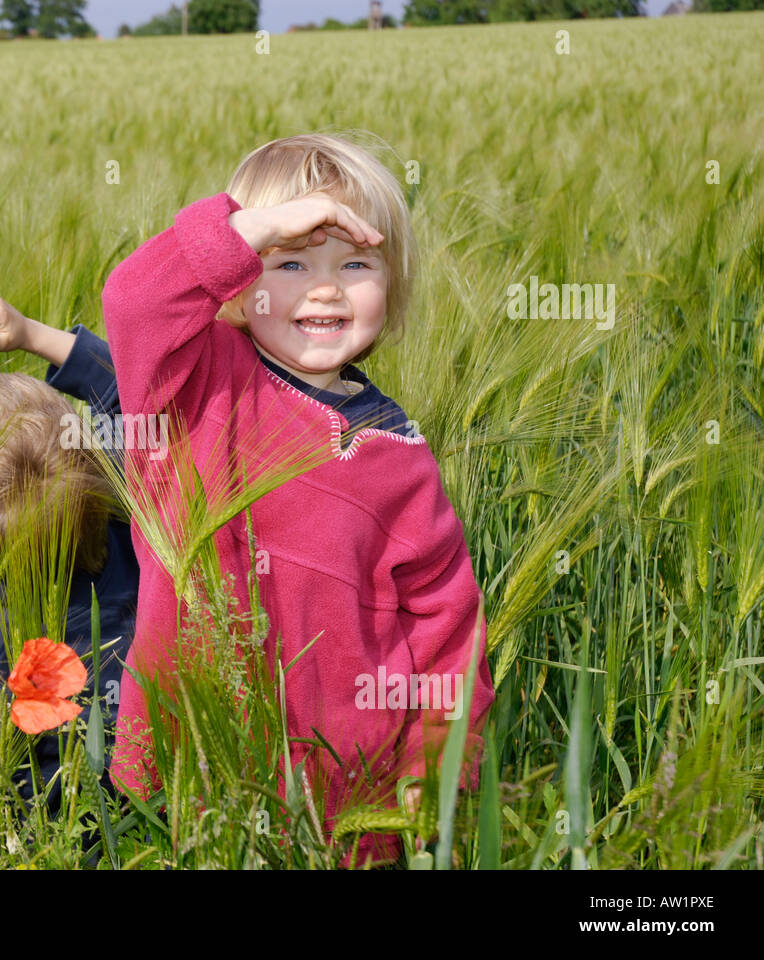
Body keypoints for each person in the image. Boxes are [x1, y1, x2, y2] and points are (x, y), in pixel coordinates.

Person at [100, 132, 496, 865]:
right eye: (288, 262)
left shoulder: (403, 455)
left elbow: (448, 628)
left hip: (351, 798)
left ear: (395, 282)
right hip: (192, 772)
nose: (324, 289)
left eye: (354, 264)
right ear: (238, 276)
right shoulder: (193, 386)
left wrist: (439, 764)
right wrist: (242, 232)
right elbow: (134, 299)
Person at [0, 295, 137, 816]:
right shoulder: (131, 505)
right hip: (152, 802)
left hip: (62, 822)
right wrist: (29, 333)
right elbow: (133, 389)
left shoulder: (9, 645)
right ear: (87, 450)